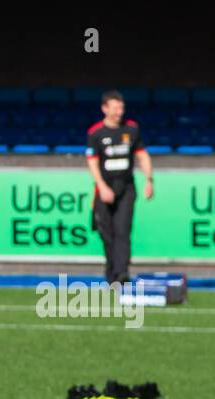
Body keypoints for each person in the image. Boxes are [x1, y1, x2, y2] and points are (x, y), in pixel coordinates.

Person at [86, 89, 153, 285]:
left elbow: (142, 154)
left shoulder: (131, 129)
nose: (119, 112)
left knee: (123, 230)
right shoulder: (95, 133)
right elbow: (92, 162)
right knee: (107, 234)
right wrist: (102, 186)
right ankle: (112, 272)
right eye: (115, 108)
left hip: (126, 187)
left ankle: (122, 273)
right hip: (104, 188)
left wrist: (149, 179)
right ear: (104, 109)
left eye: (121, 107)